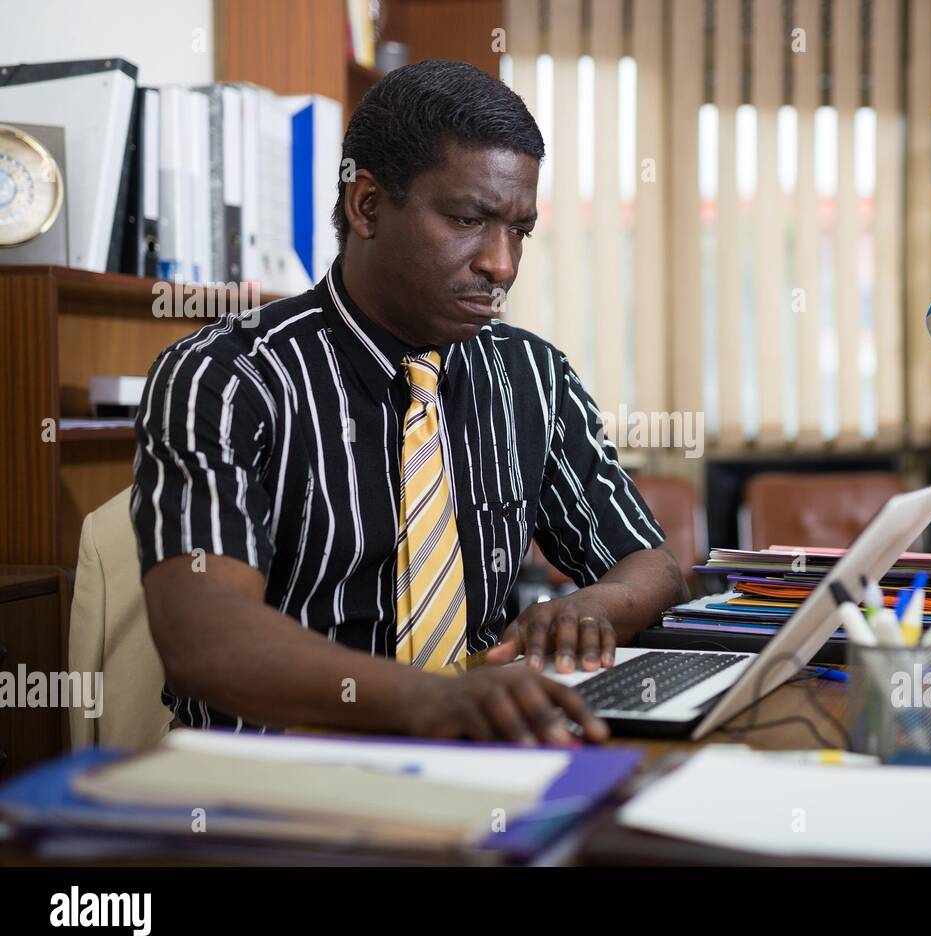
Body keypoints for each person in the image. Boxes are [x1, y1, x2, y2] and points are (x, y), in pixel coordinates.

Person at [132, 60, 688, 746]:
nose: (503, 264)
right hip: (283, 772)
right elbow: (206, 640)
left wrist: (588, 606)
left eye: (520, 230)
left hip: (480, 753)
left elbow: (651, 565)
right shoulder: (227, 377)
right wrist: (434, 702)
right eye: (468, 220)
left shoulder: (531, 375)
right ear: (367, 205)